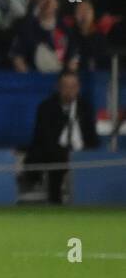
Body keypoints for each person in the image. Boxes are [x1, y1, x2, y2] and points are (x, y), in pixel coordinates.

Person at [25, 70, 100, 204]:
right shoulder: (46, 107)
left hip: (82, 151)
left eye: (73, 86)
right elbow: (44, 138)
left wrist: (88, 152)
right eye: (66, 86)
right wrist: (66, 154)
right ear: (58, 87)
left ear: (78, 88)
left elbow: (92, 136)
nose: (70, 90)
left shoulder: (86, 107)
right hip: (54, 151)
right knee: (56, 159)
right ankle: (55, 201)